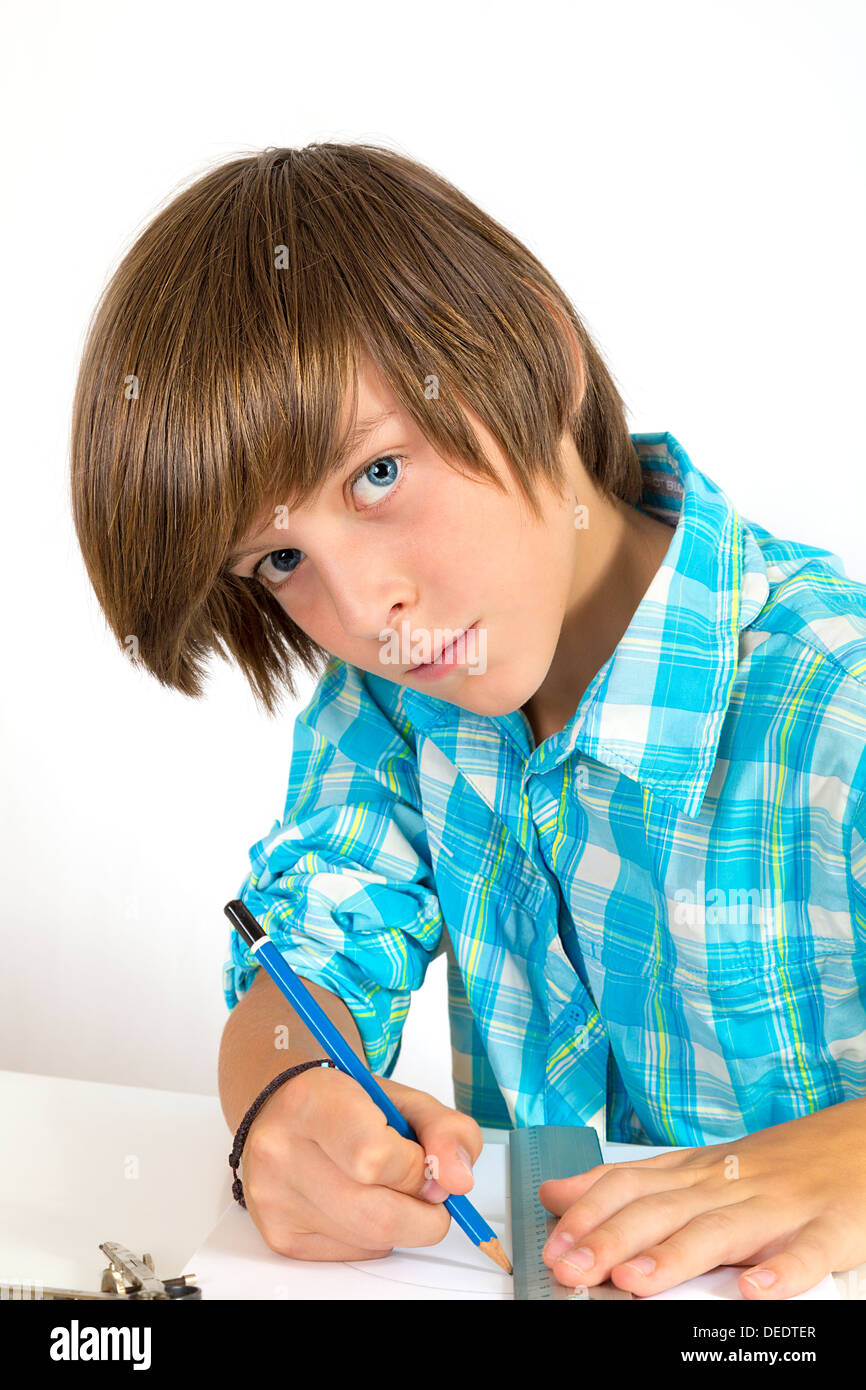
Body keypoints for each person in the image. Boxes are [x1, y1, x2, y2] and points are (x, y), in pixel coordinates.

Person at [70, 142, 866, 1299]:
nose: (361, 607)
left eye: (378, 476)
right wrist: (284, 1101)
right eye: (283, 558)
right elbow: (305, 968)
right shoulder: (393, 706)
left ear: (531, 359)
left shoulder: (834, 704)